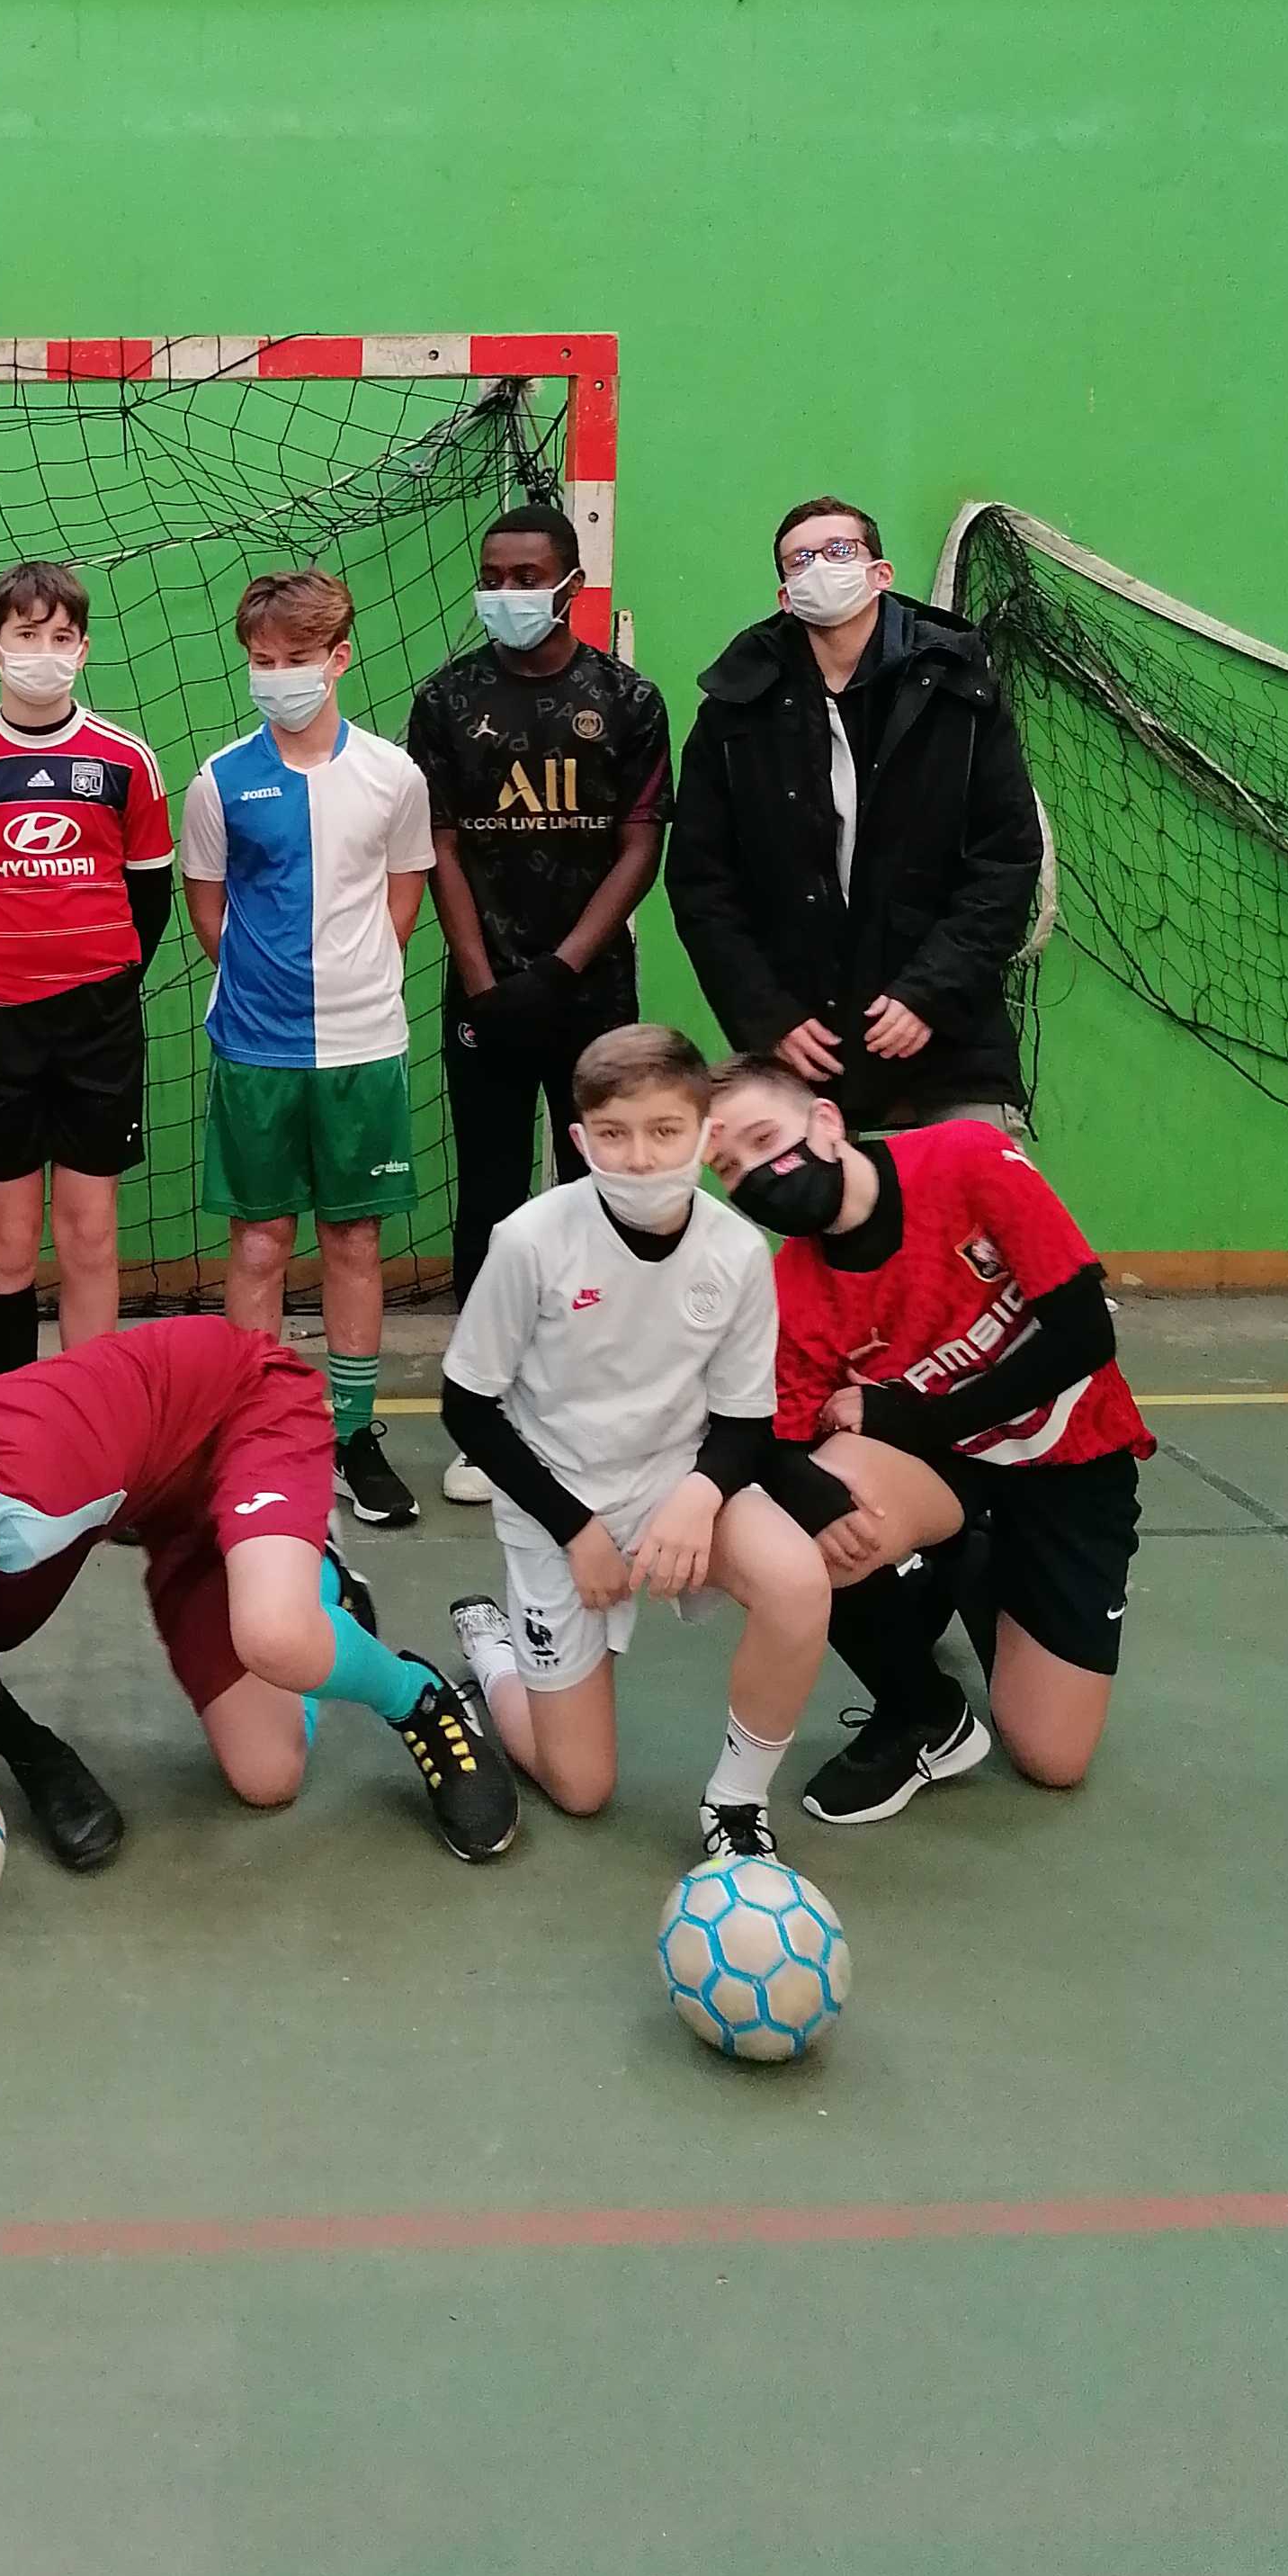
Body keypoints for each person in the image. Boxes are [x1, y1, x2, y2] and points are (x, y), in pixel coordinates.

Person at [0, 1317, 517, 1862]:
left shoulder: (40, 1510)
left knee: (274, 1634)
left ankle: (417, 1699)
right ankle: (317, 1588)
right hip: (163, 1507)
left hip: (244, 1415)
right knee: (266, 1777)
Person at [706, 1052, 1155, 1821]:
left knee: (1052, 1758)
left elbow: (1083, 1334)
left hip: (1074, 1464)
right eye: (729, 1166)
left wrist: (910, 1416)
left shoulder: (964, 1159)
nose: (756, 1173)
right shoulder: (791, 1291)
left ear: (825, 1121)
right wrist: (817, 1503)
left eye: (762, 1138)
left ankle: (980, 1571)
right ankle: (923, 1712)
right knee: (801, 1517)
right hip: (946, 1470)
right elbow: (776, 1441)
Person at [437, 1024, 830, 1856]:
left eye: (664, 1132)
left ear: (705, 1135)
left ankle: (735, 1802)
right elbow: (468, 1408)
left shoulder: (737, 1249)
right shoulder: (530, 1241)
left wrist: (699, 1494)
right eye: (613, 1135)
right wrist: (576, 1531)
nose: (641, 1158)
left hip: (675, 1484)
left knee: (798, 1582)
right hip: (558, 1502)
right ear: (579, 1140)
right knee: (581, 1789)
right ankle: (493, 1652)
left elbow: (745, 1418)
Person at [407, 501, 672, 1507]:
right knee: (490, 1197)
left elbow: (640, 846)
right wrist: (484, 982)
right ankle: (489, 1417)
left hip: (589, 993)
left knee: (593, 1193)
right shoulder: (446, 700)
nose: (508, 592)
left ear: (568, 581)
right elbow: (439, 844)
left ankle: (587, 1408)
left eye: (528, 574)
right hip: (483, 994)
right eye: (495, 573)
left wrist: (559, 972)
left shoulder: (627, 698)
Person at [180, 569, 433, 1530]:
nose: (278, 676)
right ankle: (258, 1425)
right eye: (262, 662)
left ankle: (356, 1434)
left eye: (296, 660)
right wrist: (271, 980)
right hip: (254, 1045)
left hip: (364, 1046)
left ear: (339, 658)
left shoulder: (394, 775)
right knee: (258, 1241)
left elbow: (404, 889)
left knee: (355, 1237)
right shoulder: (219, 781)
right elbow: (210, 909)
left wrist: (354, 973)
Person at [667, 496, 1042, 1133]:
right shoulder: (734, 709)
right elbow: (703, 885)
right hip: (805, 1040)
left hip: (949, 1035)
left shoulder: (960, 689)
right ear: (786, 594)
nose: (821, 567)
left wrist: (930, 992)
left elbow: (1005, 860)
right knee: (820, 1219)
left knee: (973, 1216)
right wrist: (766, 1017)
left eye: (840, 551)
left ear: (881, 573)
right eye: (801, 559)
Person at [0, 558, 174, 1367]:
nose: (43, 651)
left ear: (84, 650)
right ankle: (17, 1409)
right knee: (9, 1237)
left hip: (99, 1024)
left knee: (90, 1236)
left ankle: (87, 1415)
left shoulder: (127, 760)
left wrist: (104, 979)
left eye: (61, 637)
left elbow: (151, 896)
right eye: (27, 636)